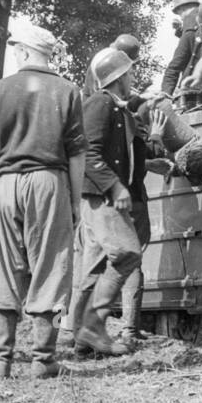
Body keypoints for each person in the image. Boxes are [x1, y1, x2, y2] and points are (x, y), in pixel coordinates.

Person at [0, 20, 87, 380]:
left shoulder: (0, 89)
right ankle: (43, 359)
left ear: (23, 52)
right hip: (49, 182)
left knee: (4, 269)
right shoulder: (68, 91)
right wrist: (74, 202)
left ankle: (1, 361)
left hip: (5, 183)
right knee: (52, 270)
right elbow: (76, 156)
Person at [71, 48, 154, 356]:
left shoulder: (114, 106)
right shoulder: (99, 104)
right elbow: (88, 153)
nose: (132, 77)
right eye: (129, 73)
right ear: (119, 77)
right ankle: (92, 328)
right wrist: (115, 186)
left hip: (99, 196)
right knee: (129, 253)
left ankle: (81, 336)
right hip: (101, 196)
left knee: (95, 267)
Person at [162, 0, 202, 107]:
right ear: (201, 25)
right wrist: (165, 95)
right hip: (192, 100)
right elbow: (174, 68)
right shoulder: (190, 36)